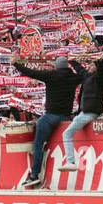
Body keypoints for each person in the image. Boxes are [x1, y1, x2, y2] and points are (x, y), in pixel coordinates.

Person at [12, 55, 84, 188]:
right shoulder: (73, 78)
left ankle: (34, 175)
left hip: (50, 117)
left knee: (38, 144)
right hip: (66, 117)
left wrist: (16, 64)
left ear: (56, 66)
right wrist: (74, 62)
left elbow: (31, 72)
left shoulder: (51, 75)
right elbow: (84, 74)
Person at [61, 54, 103, 171]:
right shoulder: (88, 77)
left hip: (90, 112)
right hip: (84, 112)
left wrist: (100, 62)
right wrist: (72, 61)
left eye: (92, 65)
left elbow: (101, 73)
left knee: (67, 134)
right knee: (71, 128)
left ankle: (70, 161)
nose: (89, 67)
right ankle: (70, 161)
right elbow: (80, 70)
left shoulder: (99, 79)